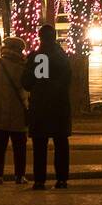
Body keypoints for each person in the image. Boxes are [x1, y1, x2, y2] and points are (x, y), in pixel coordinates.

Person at [21, 24, 73, 190]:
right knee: (61, 144)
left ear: (40, 37)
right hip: (59, 105)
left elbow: (27, 83)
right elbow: (68, 80)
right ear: (55, 36)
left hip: (40, 105)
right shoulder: (62, 57)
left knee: (39, 146)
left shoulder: (36, 57)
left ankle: (39, 180)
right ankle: (62, 179)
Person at [0, 35, 29, 184]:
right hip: (17, 110)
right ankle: (19, 175)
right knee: (19, 145)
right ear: (19, 50)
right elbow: (26, 86)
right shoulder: (22, 66)